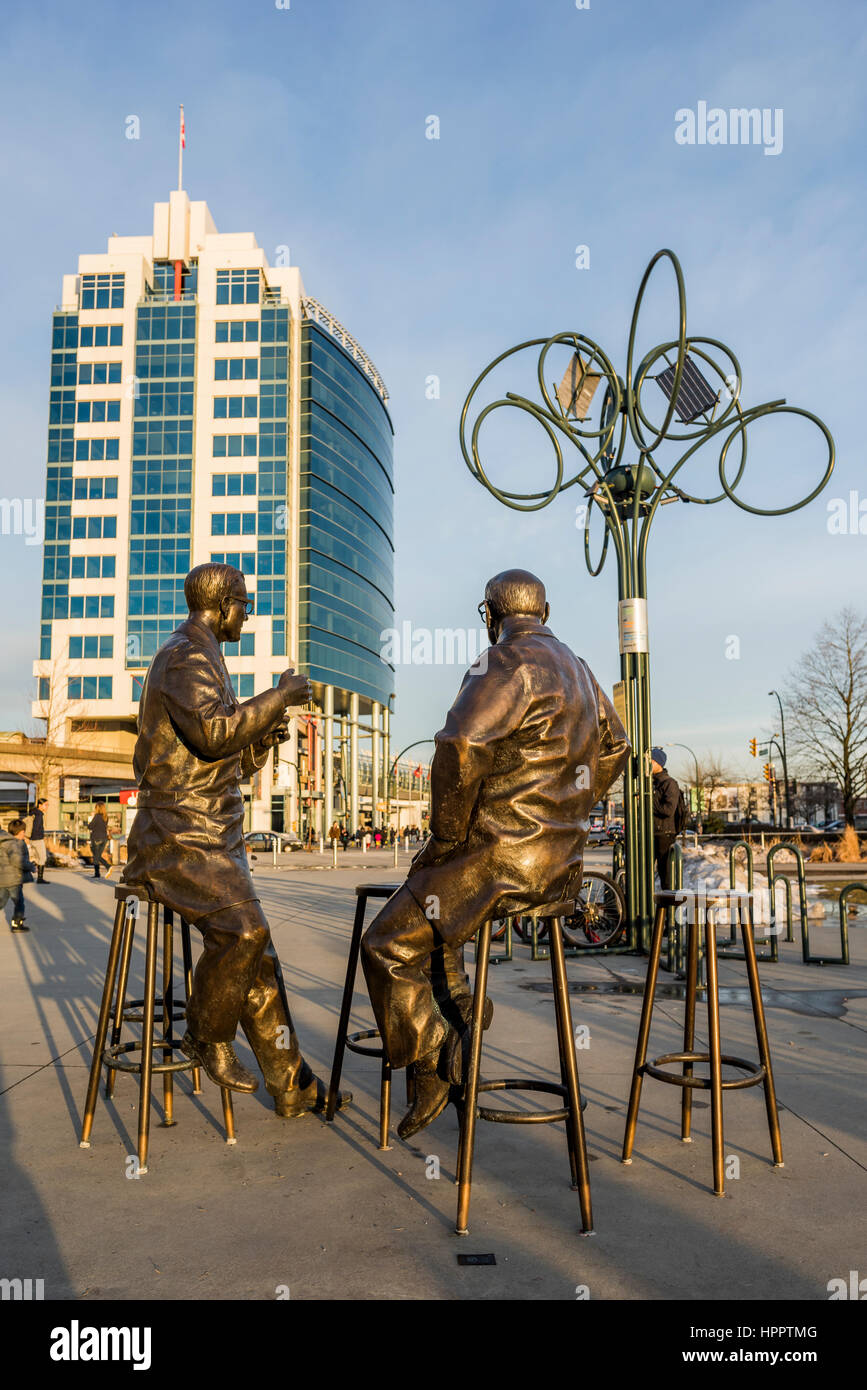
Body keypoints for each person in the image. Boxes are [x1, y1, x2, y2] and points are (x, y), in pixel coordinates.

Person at [362, 569, 630, 1140]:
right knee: (433, 912)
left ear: (489, 615)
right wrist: (568, 806)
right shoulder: (579, 669)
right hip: (559, 867)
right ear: (547, 610)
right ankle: (458, 1003)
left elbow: (460, 744)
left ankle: (437, 1055)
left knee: (385, 944)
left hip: (500, 860)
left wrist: (448, 835)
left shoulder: (504, 662)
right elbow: (618, 746)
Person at [121, 561, 350, 1119]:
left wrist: (263, 736)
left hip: (209, 835)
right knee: (245, 932)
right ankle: (206, 1035)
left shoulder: (204, 657)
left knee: (258, 962)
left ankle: (291, 1085)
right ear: (221, 604)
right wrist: (278, 697)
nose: (247, 611)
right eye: (244, 602)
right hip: (175, 837)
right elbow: (214, 730)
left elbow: (224, 758)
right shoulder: (185, 656)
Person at [650, 747, 681, 887]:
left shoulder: (669, 784)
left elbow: (668, 810)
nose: (647, 764)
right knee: (644, 875)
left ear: (658, 763)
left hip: (664, 835)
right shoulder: (650, 783)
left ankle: (667, 908)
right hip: (651, 833)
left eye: (649, 761)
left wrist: (648, 802)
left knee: (666, 877)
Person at [0, 818, 34, 931]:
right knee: (19, 902)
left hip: (2, 879)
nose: (24, 834)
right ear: (19, 833)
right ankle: (17, 923)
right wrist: (31, 866)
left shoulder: (3, 841)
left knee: (1, 901)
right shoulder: (13, 844)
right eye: (23, 832)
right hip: (13, 880)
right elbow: (17, 861)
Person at [27, 797, 50, 884]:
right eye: (46, 805)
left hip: (32, 839)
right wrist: (39, 836)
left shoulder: (33, 813)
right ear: (40, 805)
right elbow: (36, 828)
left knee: (36, 858)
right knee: (42, 858)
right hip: (37, 839)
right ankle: (40, 878)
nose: (47, 807)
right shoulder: (39, 814)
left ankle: (30, 871)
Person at [89, 803, 109, 879]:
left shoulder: (97, 816)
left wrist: (89, 823)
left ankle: (108, 866)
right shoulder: (106, 817)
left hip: (96, 838)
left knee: (96, 856)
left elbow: (90, 826)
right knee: (97, 856)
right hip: (104, 839)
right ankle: (97, 873)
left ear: (97, 808)